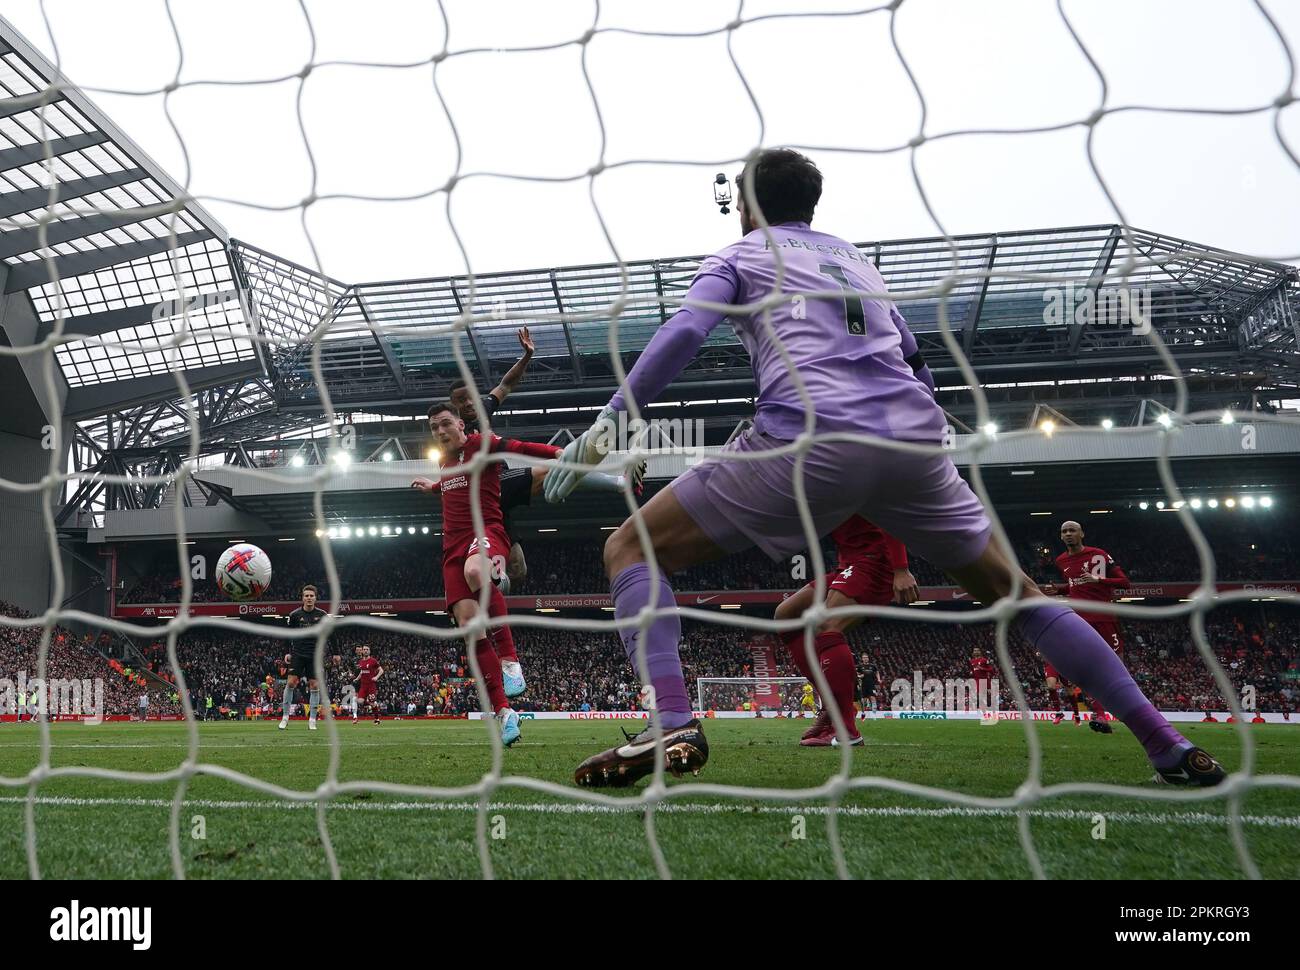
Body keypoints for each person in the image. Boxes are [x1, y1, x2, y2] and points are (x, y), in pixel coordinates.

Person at [545, 148, 1224, 789]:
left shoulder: (742, 251)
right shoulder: (859, 263)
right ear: (809, 206)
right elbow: (917, 362)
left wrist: (612, 420)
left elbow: (687, 330)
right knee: (1020, 595)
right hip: (913, 442)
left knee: (631, 545)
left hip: (810, 436)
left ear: (747, 206)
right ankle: (1167, 743)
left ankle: (671, 722)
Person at [412, 402, 564, 746]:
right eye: (434, 427)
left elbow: (521, 449)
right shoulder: (444, 462)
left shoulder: (483, 444)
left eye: (445, 424)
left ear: (461, 425)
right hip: (450, 546)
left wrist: (559, 452)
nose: (439, 431)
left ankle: (511, 662)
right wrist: (431, 487)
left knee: (476, 569)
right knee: (471, 630)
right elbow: (451, 484)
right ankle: (504, 713)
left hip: (487, 531)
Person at [774, 515, 917, 747]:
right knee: (785, 615)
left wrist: (901, 568)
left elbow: (891, 512)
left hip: (875, 562)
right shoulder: (817, 487)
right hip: (849, 565)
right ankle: (831, 706)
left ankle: (846, 730)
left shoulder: (856, 479)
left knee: (827, 625)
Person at [1040, 520, 1130, 734]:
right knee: (1087, 669)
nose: (1068, 534)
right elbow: (1075, 588)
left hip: (1105, 618)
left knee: (1118, 669)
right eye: (1064, 531)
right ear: (1061, 537)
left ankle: (1129, 710)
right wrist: (1059, 590)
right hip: (1079, 619)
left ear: (1082, 534)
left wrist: (1098, 579)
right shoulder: (1061, 560)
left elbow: (1124, 583)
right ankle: (1100, 716)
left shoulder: (1097, 554)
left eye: (1072, 530)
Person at [279, 585, 336, 731]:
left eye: (311, 596)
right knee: (291, 682)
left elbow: (331, 634)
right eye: (306, 596)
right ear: (302, 597)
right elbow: (287, 634)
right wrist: (287, 652)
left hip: (315, 655)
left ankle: (312, 720)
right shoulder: (295, 615)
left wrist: (336, 653)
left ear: (315, 598)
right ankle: (285, 717)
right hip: (298, 653)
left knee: (315, 685)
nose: (309, 598)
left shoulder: (322, 615)